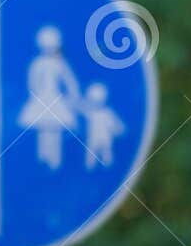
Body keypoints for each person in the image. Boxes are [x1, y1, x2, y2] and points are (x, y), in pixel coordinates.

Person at [18, 26, 81, 169]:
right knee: (44, 130)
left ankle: (54, 160)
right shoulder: (38, 63)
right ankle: (44, 159)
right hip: (41, 99)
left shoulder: (60, 63)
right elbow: (33, 81)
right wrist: (33, 96)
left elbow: (70, 81)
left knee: (54, 130)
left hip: (55, 100)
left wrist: (74, 96)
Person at [81, 82, 125, 169]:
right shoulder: (91, 112)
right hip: (93, 139)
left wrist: (119, 129)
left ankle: (108, 168)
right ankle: (90, 168)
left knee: (106, 154)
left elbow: (115, 124)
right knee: (91, 155)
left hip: (105, 139)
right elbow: (82, 108)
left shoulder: (107, 113)